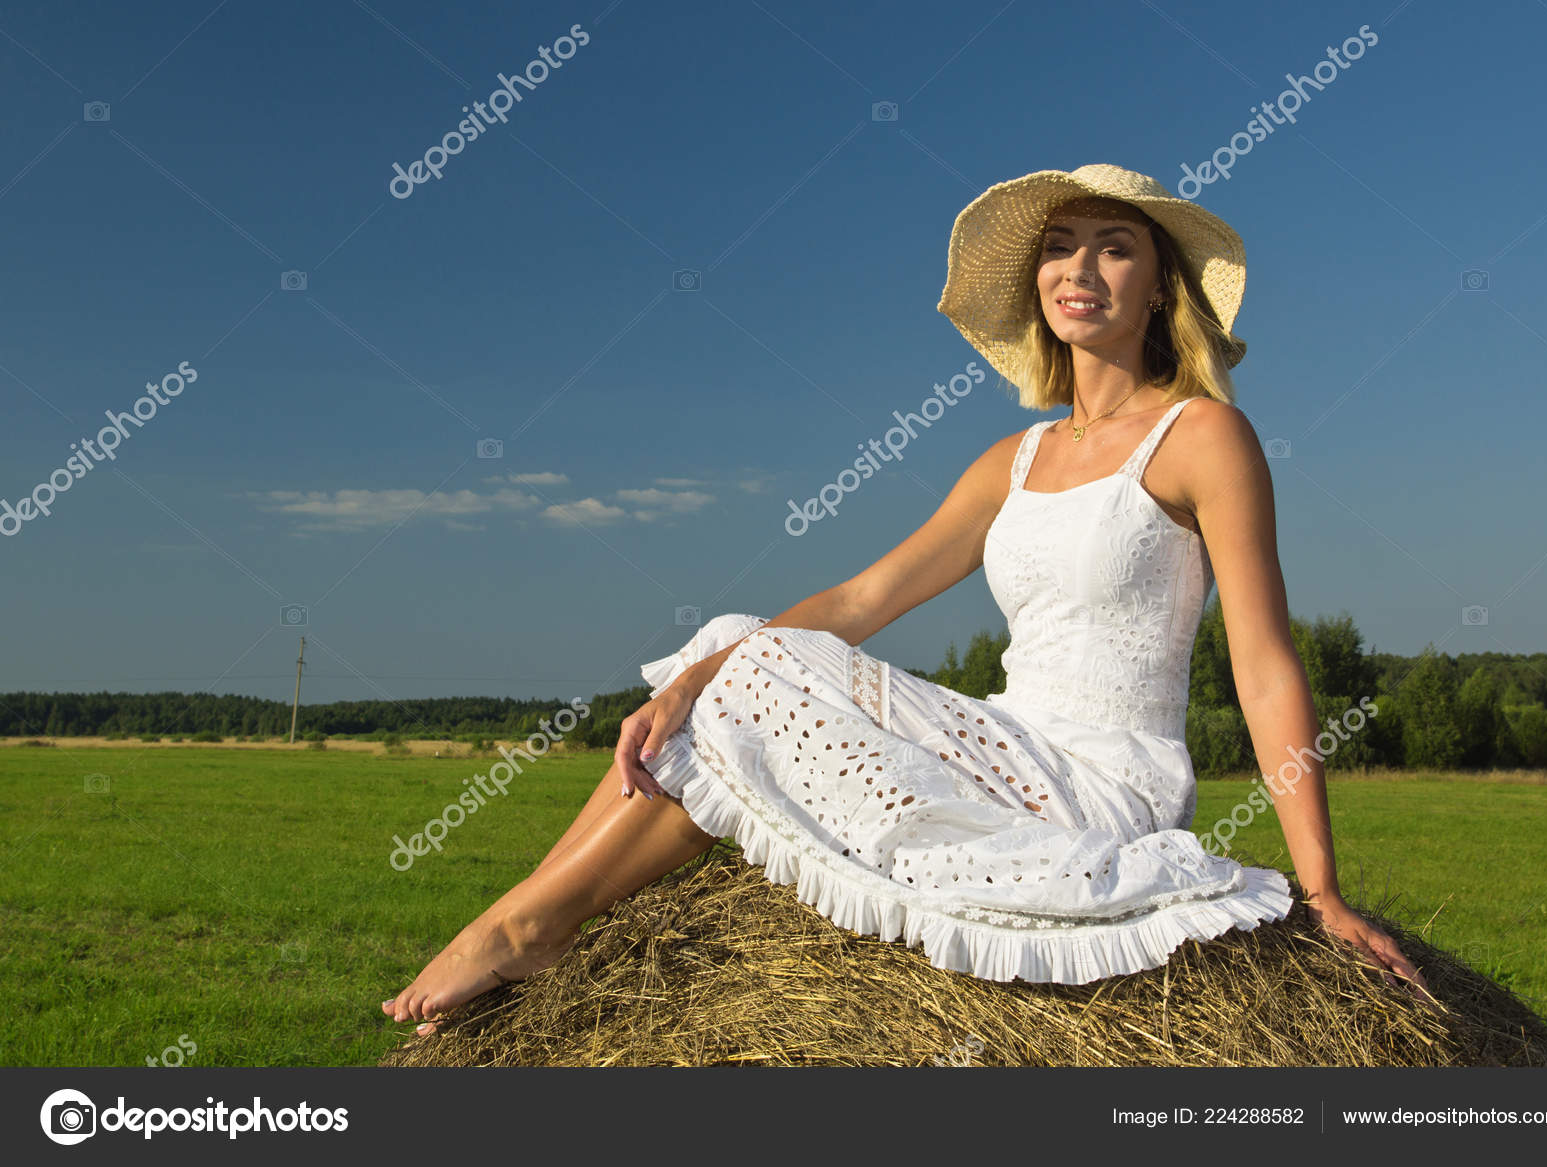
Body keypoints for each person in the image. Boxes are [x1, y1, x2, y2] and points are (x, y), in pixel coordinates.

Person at [384, 162, 1425, 1036]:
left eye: (1116, 245)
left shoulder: (1199, 437)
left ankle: (528, 928)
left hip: (1100, 782)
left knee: (755, 661)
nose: (1081, 268)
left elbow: (1262, 657)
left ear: (1158, 287)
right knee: (736, 640)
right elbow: (862, 596)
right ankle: (530, 919)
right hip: (1002, 745)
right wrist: (691, 680)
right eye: (1061, 246)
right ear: (1037, 283)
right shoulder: (1007, 464)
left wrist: (1319, 888)